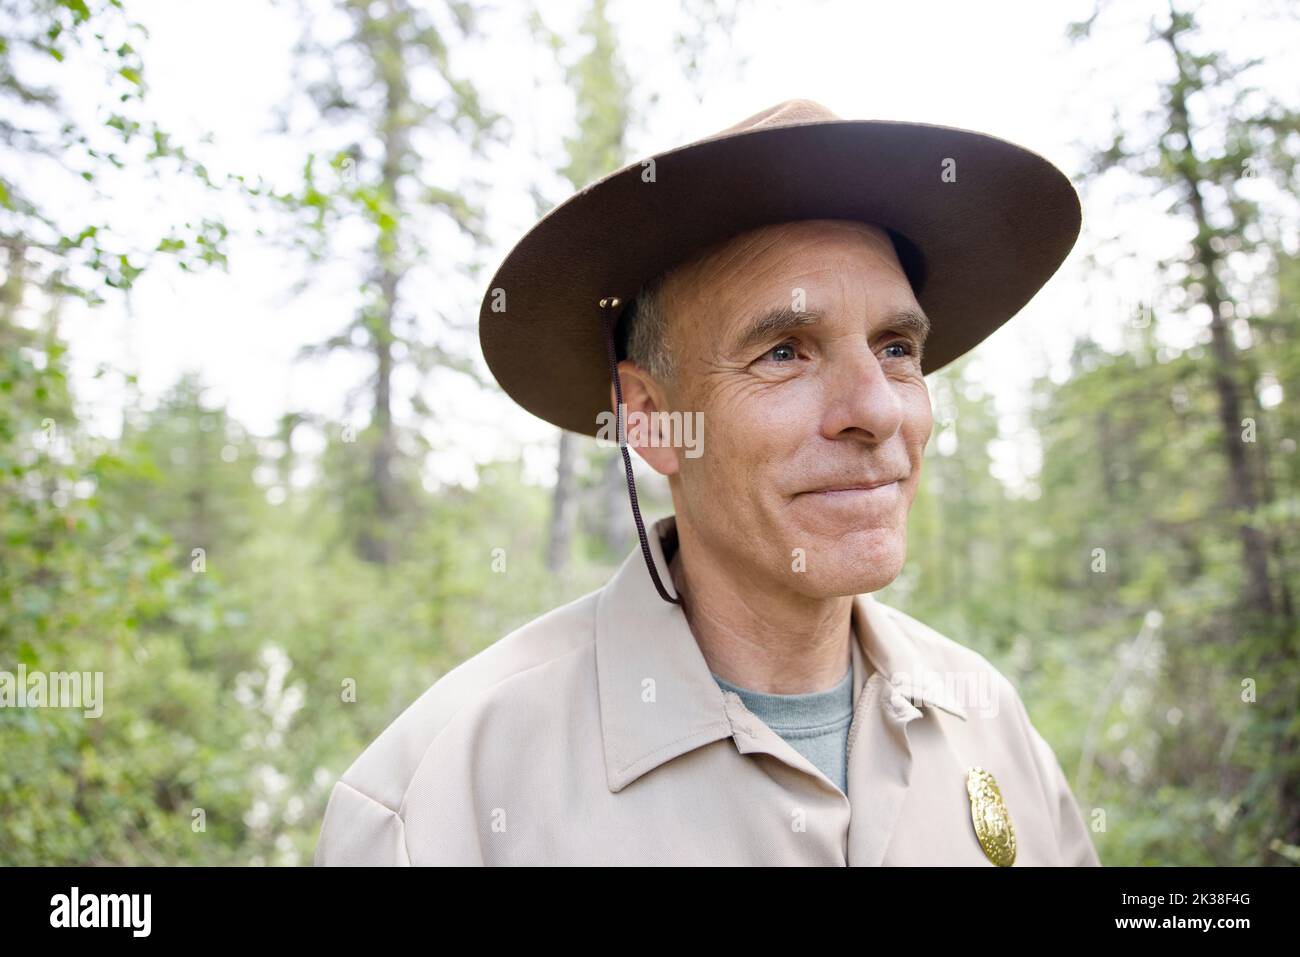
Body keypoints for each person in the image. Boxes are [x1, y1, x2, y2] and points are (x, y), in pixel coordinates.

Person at [314, 99, 1101, 866]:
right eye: (786, 351)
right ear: (650, 419)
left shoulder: (989, 721)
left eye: (896, 347)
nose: (876, 408)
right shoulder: (443, 797)